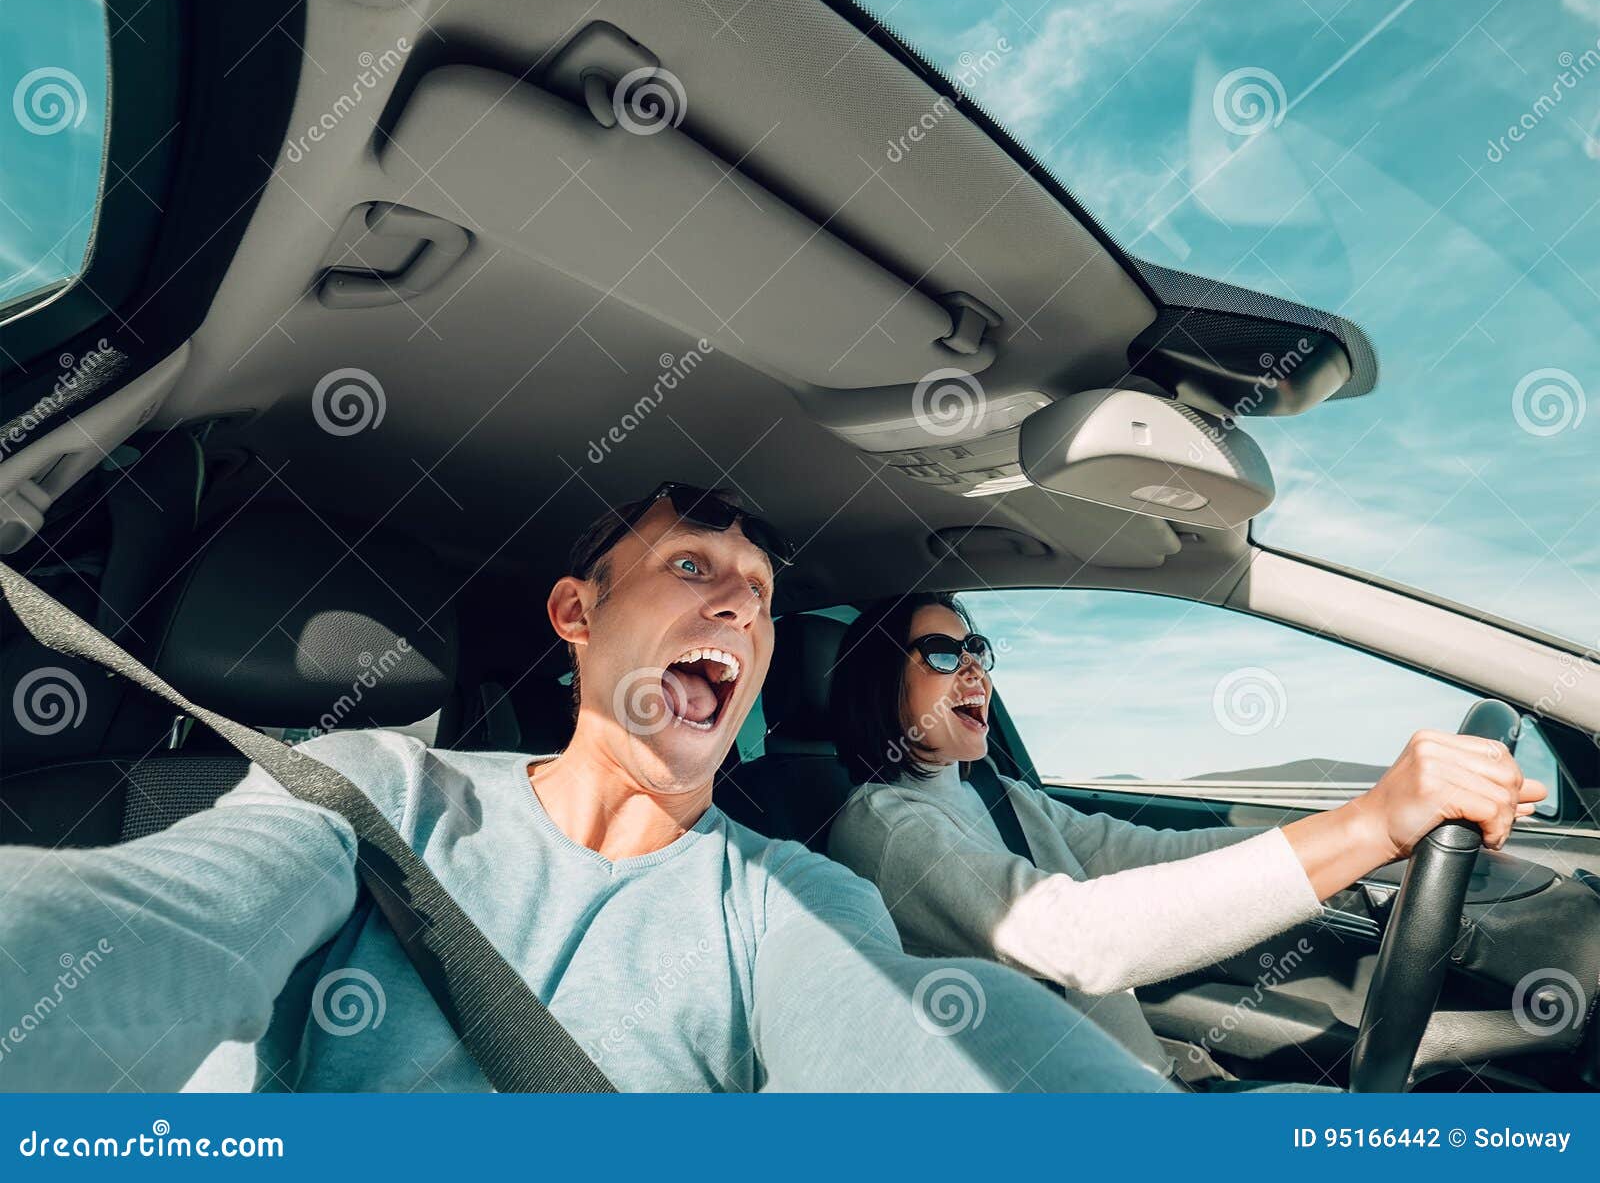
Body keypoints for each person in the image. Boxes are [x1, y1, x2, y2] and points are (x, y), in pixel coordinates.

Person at [0, 484, 1170, 1093]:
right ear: (576, 615)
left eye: (758, 592)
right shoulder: (373, 794)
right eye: (692, 567)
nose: (738, 607)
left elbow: (934, 1040)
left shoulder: (788, 899)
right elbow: (151, 923)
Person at [825, 592, 1545, 1083]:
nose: (974, 666)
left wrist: (1358, 825)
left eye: (976, 648)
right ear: (879, 682)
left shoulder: (994, 790)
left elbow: (1144, 855)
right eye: (942, 654)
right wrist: (1372, 826)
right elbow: (1082, 939)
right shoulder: (887, 828)